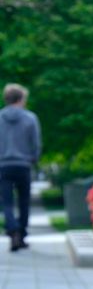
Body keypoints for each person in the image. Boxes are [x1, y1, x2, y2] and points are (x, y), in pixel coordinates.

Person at [0, 83, 41, 251]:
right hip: (23, 165)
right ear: (21, 99)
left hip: (3, 166)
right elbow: (36, 144)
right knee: (24, 202)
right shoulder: (30, 118)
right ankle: (21, 234)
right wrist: (34, 158)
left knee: (7, 202)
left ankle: (13, 229)